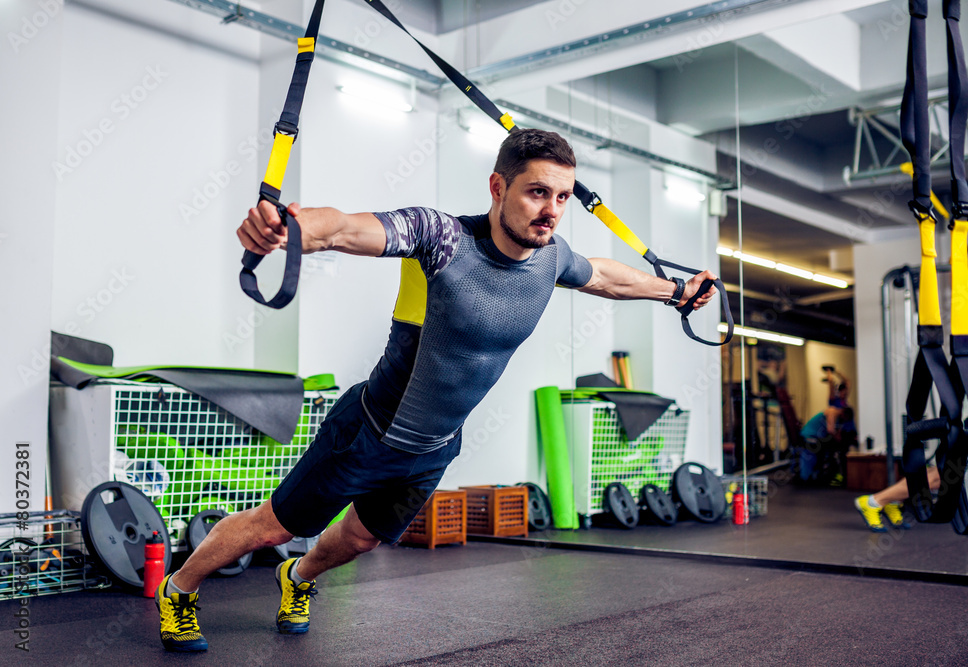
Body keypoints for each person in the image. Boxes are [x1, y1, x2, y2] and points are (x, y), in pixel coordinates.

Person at [153, 129, 718, 652]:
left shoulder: (551, 257)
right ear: (498, 187)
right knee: (276, 525)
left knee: (359, 541)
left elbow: (603, 275)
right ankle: (179, 589)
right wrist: (291, 229)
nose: (551, 212)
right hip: (369, 432)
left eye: (564, 197)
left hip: (436, 445)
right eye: (538, 192)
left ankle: (296, 576)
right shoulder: (442, 237)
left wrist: (673, 292)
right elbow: (348, 227)